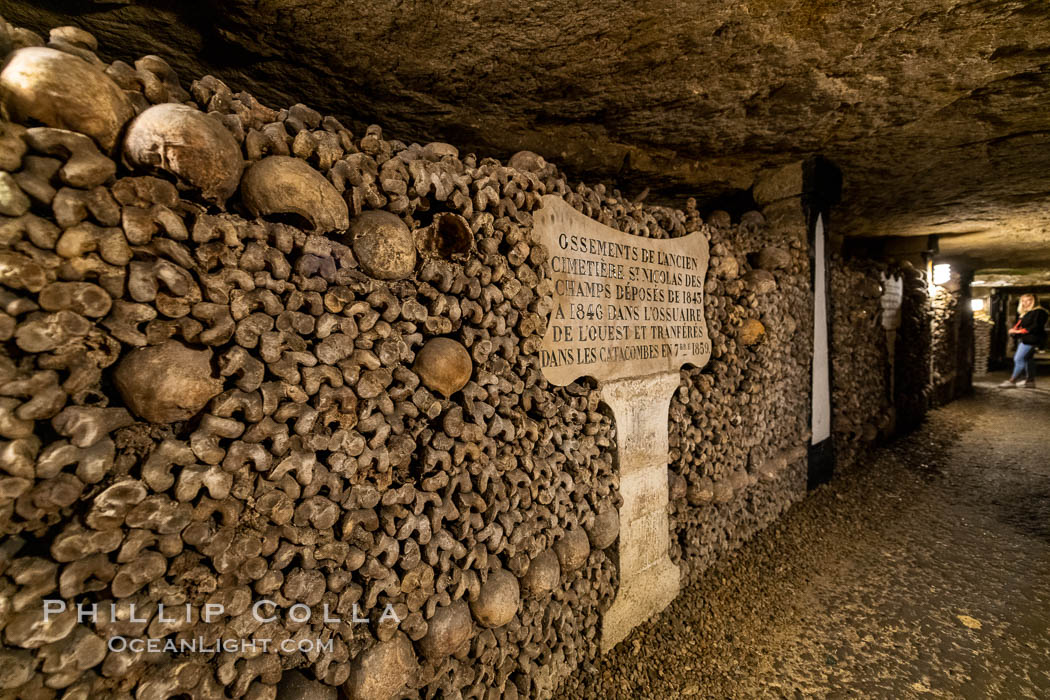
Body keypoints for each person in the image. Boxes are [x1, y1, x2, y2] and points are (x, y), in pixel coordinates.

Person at [999, 293, 1049, 388]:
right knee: (1028, 359)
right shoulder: (1027, 313)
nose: (1026, 303)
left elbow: (1035, 327)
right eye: (1023, 301)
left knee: (1018, 358)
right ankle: (1029, 381)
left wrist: (1018, 331)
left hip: (1031, 339)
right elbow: (1023, 325)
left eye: (1029, 300)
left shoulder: (1039, 312)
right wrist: (1015, 330)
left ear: (1034, 301)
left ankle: (1012, 381)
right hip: (1026, 338)